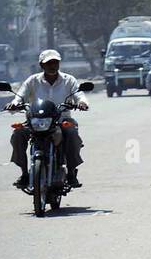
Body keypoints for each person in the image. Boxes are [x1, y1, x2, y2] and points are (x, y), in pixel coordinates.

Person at [5, 49, 89, 188]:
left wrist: (82, 103)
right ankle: (24, 173)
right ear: (42, 65)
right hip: (35, 121)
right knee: (18, 134)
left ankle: (71, 172)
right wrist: (14, 104)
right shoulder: (32, 81)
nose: (52, 66)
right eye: (49, 63)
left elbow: (79, 95)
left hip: (61, 120)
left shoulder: (69, 80)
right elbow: (20, 96)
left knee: (72, 133)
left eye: (55, 62)